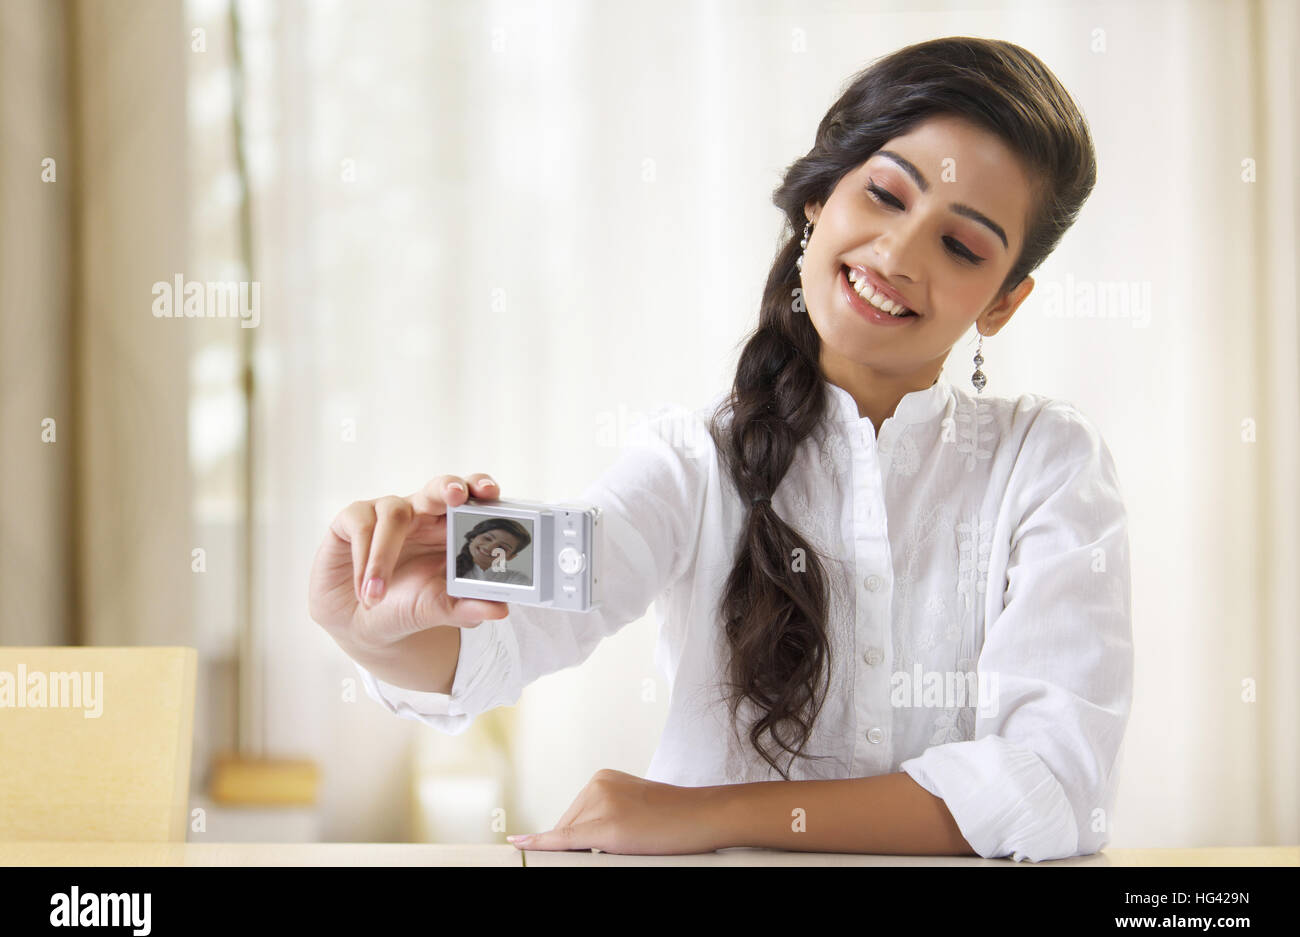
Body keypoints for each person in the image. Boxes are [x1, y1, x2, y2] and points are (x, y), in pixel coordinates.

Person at [308, 36, 1131, 862]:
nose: (899, 254)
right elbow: (512, 624)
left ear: (1003, 302)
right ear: (819, 198)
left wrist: (707, 814)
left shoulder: (1048, 465)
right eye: (884, 195)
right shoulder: (690, 462)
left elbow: (1053, 787)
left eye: (961, 246)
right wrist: (377, 618)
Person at [454, 518, 532, 586]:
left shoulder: (519, 580)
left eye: (501, 547)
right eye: (487, 538)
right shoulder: (447, 568)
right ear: (473, 537)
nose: (489, 548)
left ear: (511, 556)